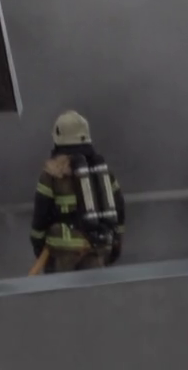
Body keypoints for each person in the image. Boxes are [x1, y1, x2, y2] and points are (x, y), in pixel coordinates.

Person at [30, 110, 126, 273]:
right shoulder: (102, 172)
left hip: (62, 252)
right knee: (92, 296)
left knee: (61, 297)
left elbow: (41, 216)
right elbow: (119, 208)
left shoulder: (52, 173)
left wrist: (39, 247)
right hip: (97, 248)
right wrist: (116, 243)